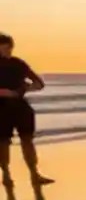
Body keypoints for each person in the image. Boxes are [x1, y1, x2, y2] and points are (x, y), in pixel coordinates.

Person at [0, 34, 53, 186]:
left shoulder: (18, 63)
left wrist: (25, 88)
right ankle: (6, 174)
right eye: (5, 47)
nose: (8, 50)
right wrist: (3, 92)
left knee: (27, 140)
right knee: (3, 142)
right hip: (1, 108)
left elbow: (39, 83)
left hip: (19, 106)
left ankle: (35, 174)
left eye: (10, 47)